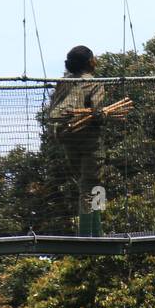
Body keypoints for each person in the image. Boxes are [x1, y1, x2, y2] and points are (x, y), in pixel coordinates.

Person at [47, 45, 107, 236]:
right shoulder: (94, 83)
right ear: (90, 62)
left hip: (66, 136)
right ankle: (92, 233)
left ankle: (92, 231)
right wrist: (104, 114)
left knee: (84, 183)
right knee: (93, 184)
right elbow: (98, 113)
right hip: (89, 138)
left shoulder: (62, 83)